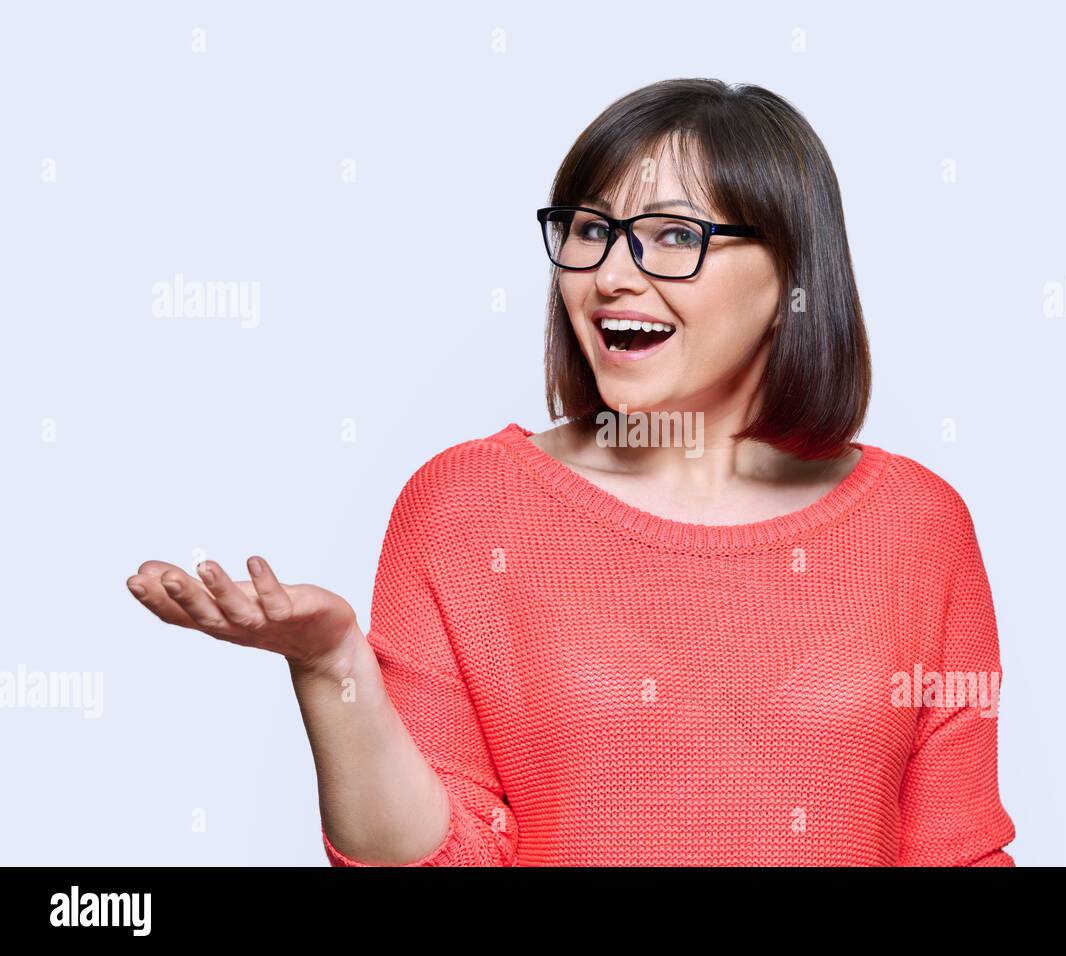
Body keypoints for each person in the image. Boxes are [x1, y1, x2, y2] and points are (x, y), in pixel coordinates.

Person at [126, 78, 1016, 866]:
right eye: (591, 231)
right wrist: (330, 668)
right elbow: (442, 864)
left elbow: (957, 855)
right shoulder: (465, 507)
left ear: (791, 276)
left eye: (674, 236)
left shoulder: (917, 524)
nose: (613, 275)